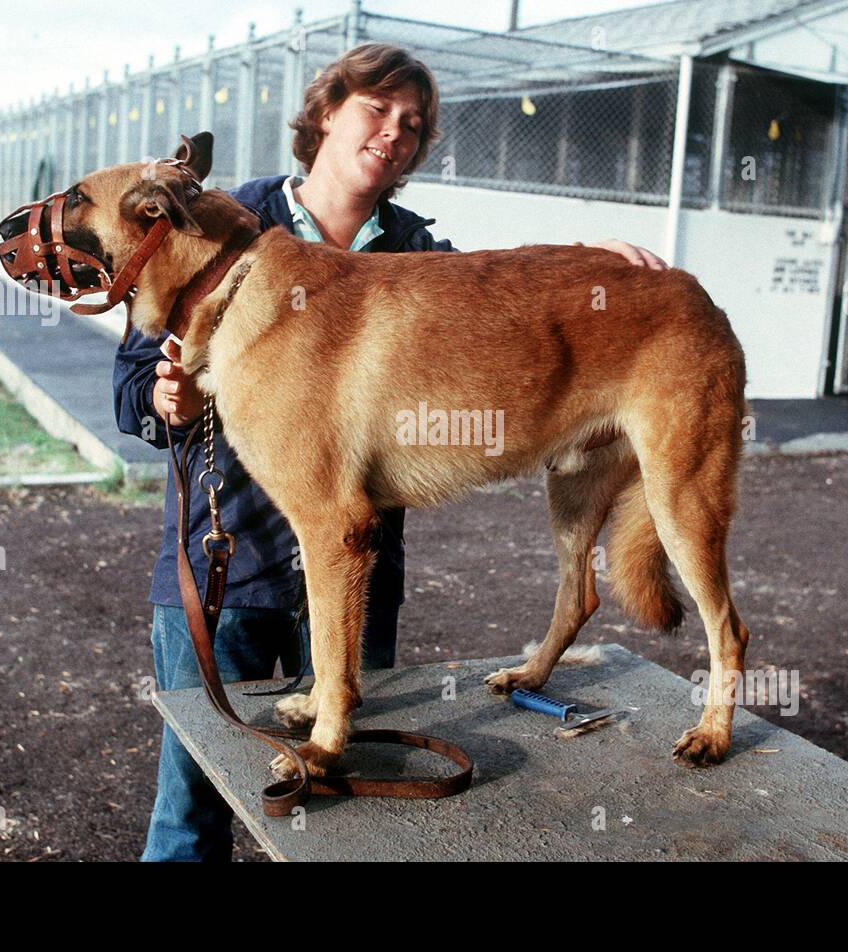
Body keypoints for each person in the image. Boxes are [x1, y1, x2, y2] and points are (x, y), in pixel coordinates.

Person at [114, 42, 667, 862]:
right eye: (376, 109)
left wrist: (593, 273)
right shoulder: (226, 220)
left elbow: (501, 308)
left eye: (411, 124)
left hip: (354, 568)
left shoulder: (415, 250)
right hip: (228, 563)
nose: (393, 133)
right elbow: (130, 388)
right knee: (189, 815)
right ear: (327, 112)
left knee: (344, 822)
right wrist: (168, 402)